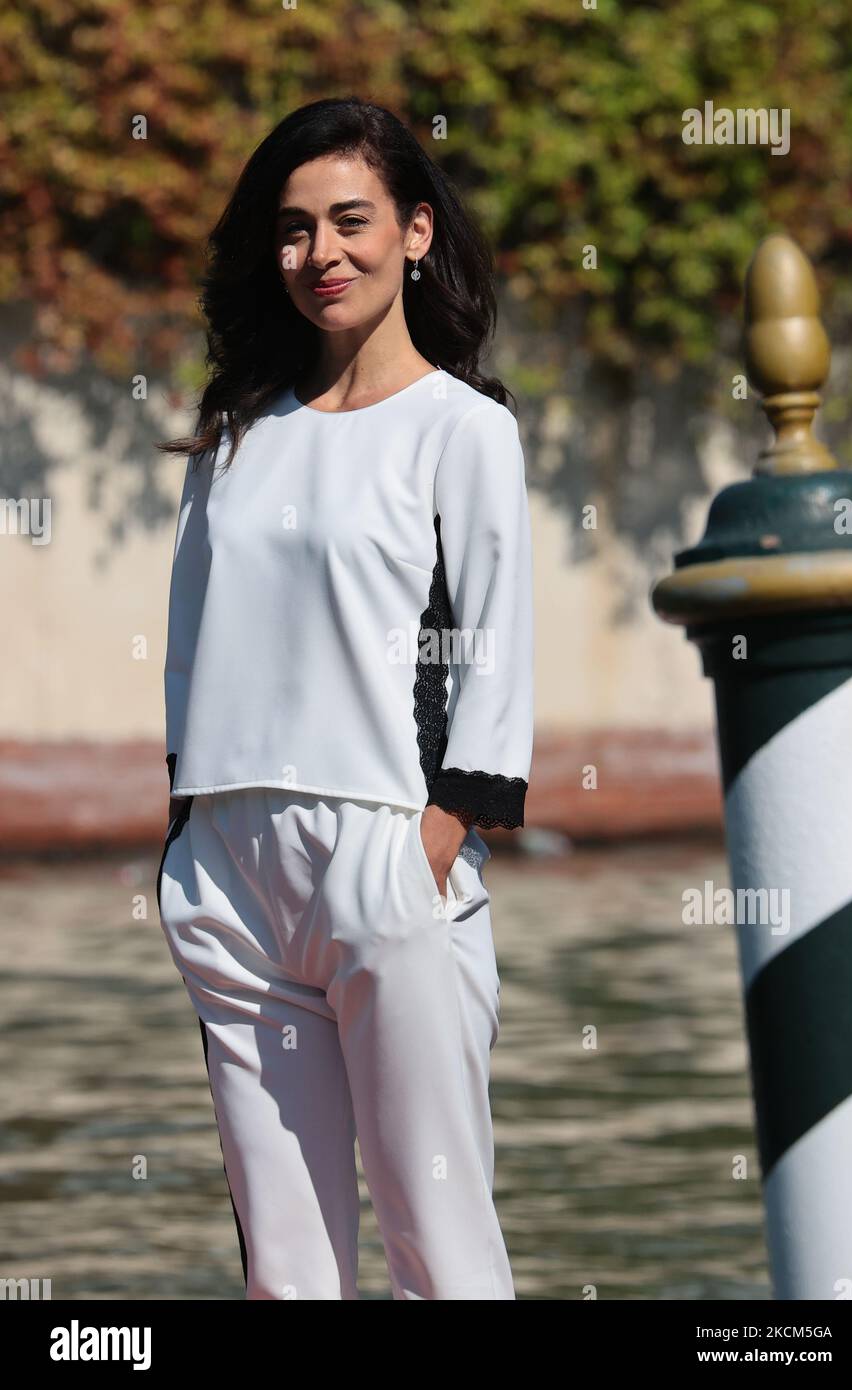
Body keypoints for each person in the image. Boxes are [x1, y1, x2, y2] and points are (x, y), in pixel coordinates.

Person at [155, 96, 533, 1301]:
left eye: (352, 221)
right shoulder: (233, 436)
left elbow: (496, 642)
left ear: (416, 233)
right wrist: (185, 837)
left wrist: (441, 834)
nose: (322, 253)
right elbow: (186, 645)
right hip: (228, 871)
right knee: (287, 1276)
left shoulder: (462, 430)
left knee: (445, 1256)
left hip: (388, 854)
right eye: (294, 228)